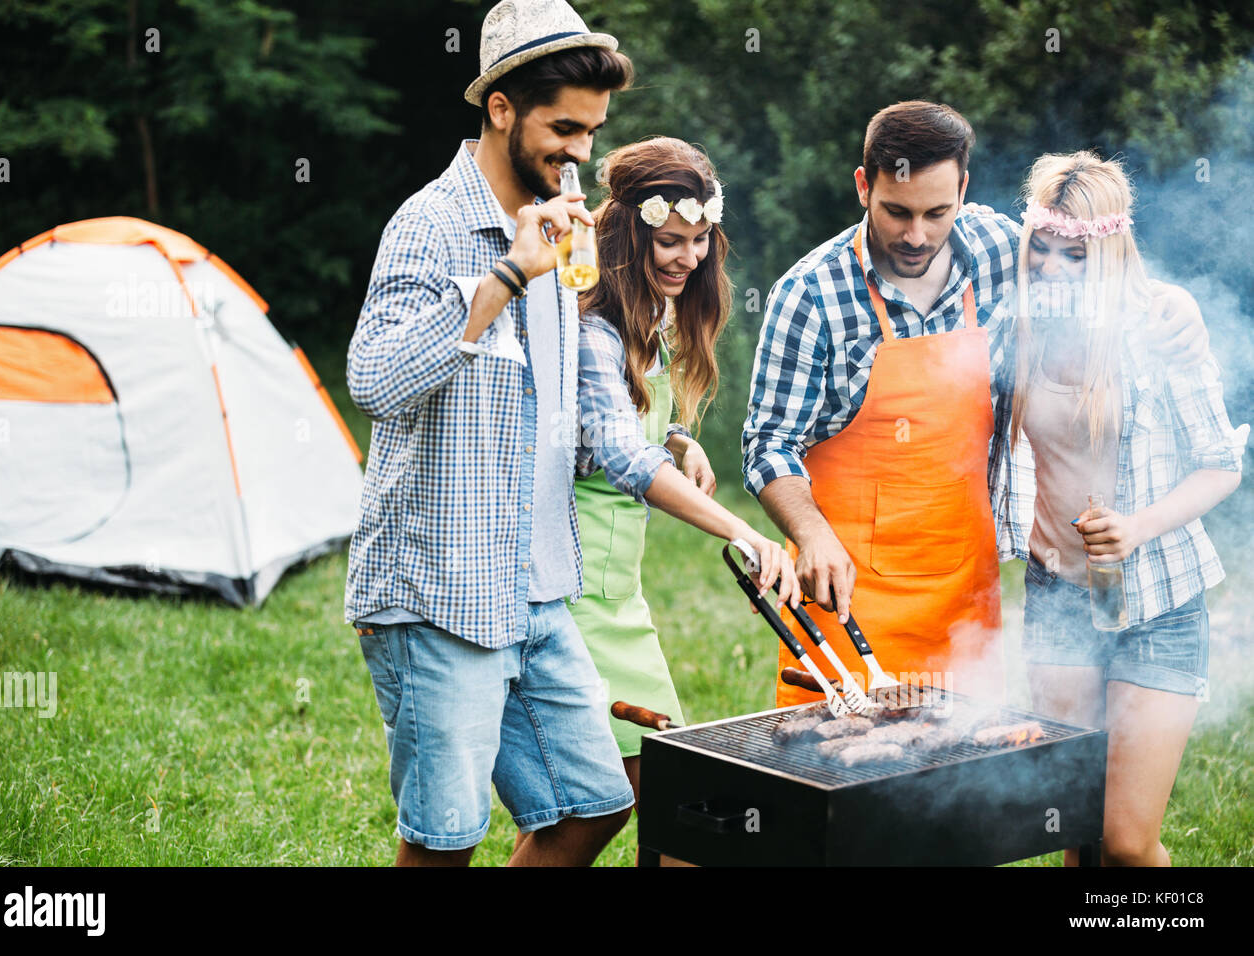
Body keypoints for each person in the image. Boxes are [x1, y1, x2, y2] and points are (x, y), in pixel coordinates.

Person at [742, 101, 1209, 709]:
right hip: (851, 595)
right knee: (846, 779)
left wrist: (1175, 302)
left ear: (964, 188)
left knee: (961, 791)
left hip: (964, 596)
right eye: (897, 212)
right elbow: (767, 443)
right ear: (864, 186)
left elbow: (1089, 256)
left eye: (938, 212)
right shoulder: (809, 295)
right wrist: (812, 536)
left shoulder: (998, 248)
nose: (917, 236)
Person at [344, 0, 638, 868]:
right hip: (439, 591)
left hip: (531, 584)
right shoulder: (430, 225)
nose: (581, 152)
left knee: (594, 805)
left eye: (592, 131)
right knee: (444, 844)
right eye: (565, 127)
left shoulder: (559, 221)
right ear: (500, 108)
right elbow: (375, 382)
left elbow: (535, 419)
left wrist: (636, 441)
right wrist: (505, 274)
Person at [1011, 152, 1245, 866]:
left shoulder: (1159, 329)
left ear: (1108, 252)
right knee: (1074, 829)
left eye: (1074, 256)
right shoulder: (1018, 321)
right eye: (1042, 250)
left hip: (1157, 607)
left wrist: (1136, 528)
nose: (1051, 269)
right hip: (1054, 598)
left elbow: (1221, 465)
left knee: (1126, 841)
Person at [570, 137, 799, 805]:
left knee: (593, 806)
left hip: (617, 591)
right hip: (572, 593)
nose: (690, 257)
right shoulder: (593, 329)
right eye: (671, 240)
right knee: (655, 794)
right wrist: (745, 532)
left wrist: (675, 437)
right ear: (628, 235)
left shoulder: (652, 312)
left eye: (700, 240)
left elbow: (626, 418)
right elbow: (616, 453)